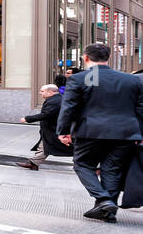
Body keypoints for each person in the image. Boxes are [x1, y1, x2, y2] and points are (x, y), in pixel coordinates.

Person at [56, 42, 143, 222]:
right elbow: (140, 110)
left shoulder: (80, 78)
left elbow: (69, 107)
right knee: (112, 170)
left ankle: (103, 200)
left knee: (82, 164)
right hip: (125, 132)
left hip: (90, 131)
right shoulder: (132, 80)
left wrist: (63, 131)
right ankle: (108, 211)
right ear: (108, 58)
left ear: (86, 58)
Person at [18, 84, 70, 170]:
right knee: (45, 146)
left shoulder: (55, 101)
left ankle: (93, 164)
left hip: (56, 129)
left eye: (42, 91)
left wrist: (27, 119)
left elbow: (46, 114)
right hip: (52, 129)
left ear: (50, 92)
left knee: (73, 147)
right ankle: (33, 163)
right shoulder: (56, 99)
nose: (40, 93)